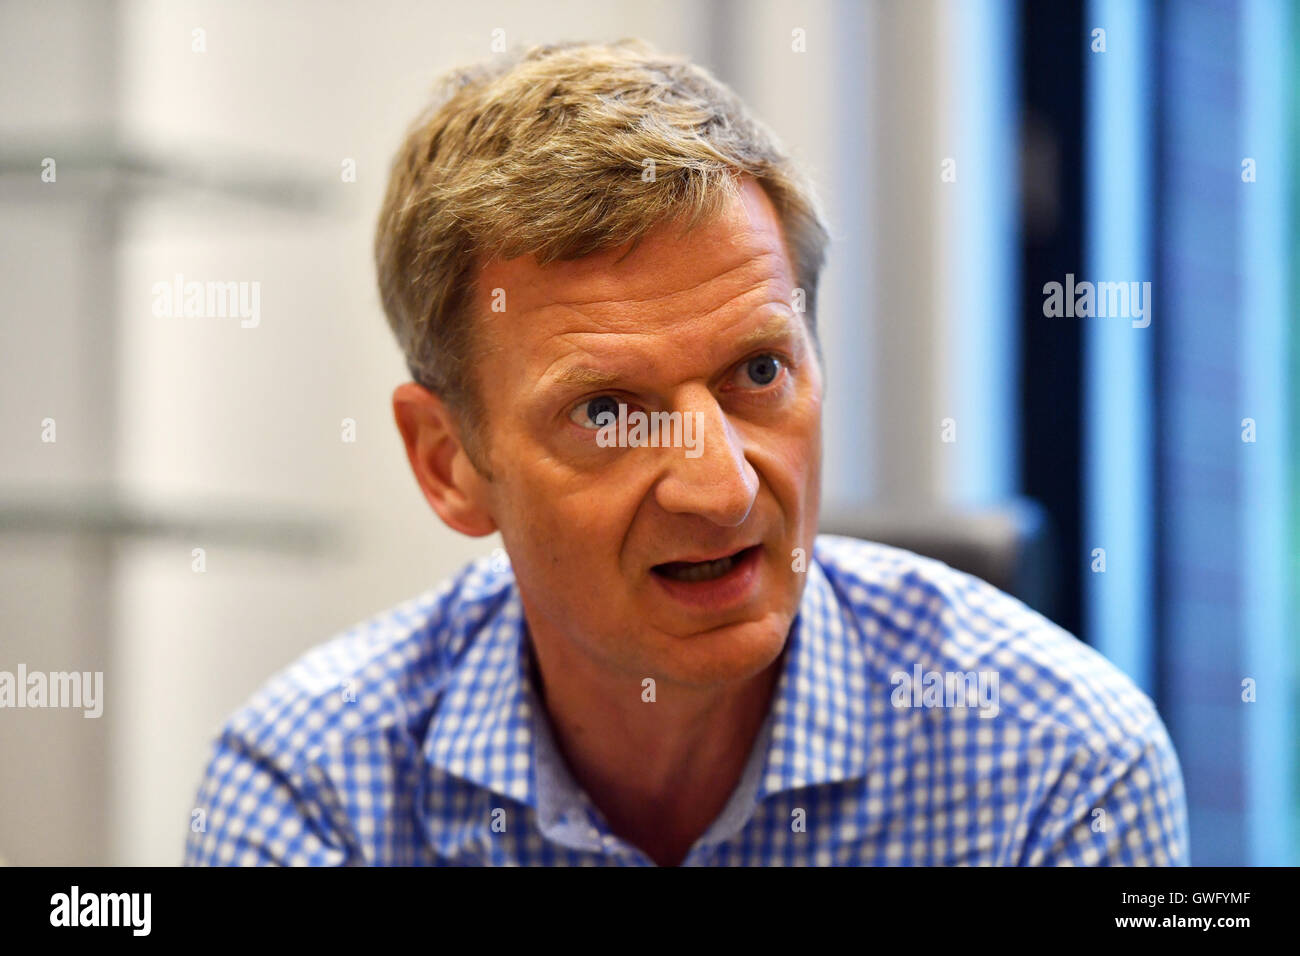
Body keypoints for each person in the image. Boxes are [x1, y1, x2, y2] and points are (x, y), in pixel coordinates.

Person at [184, 39, 1188, 867]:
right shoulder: (316, 788)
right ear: (448, 460)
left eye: (757, 373)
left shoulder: (1059, 765)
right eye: (610, 411)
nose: (721, 487)